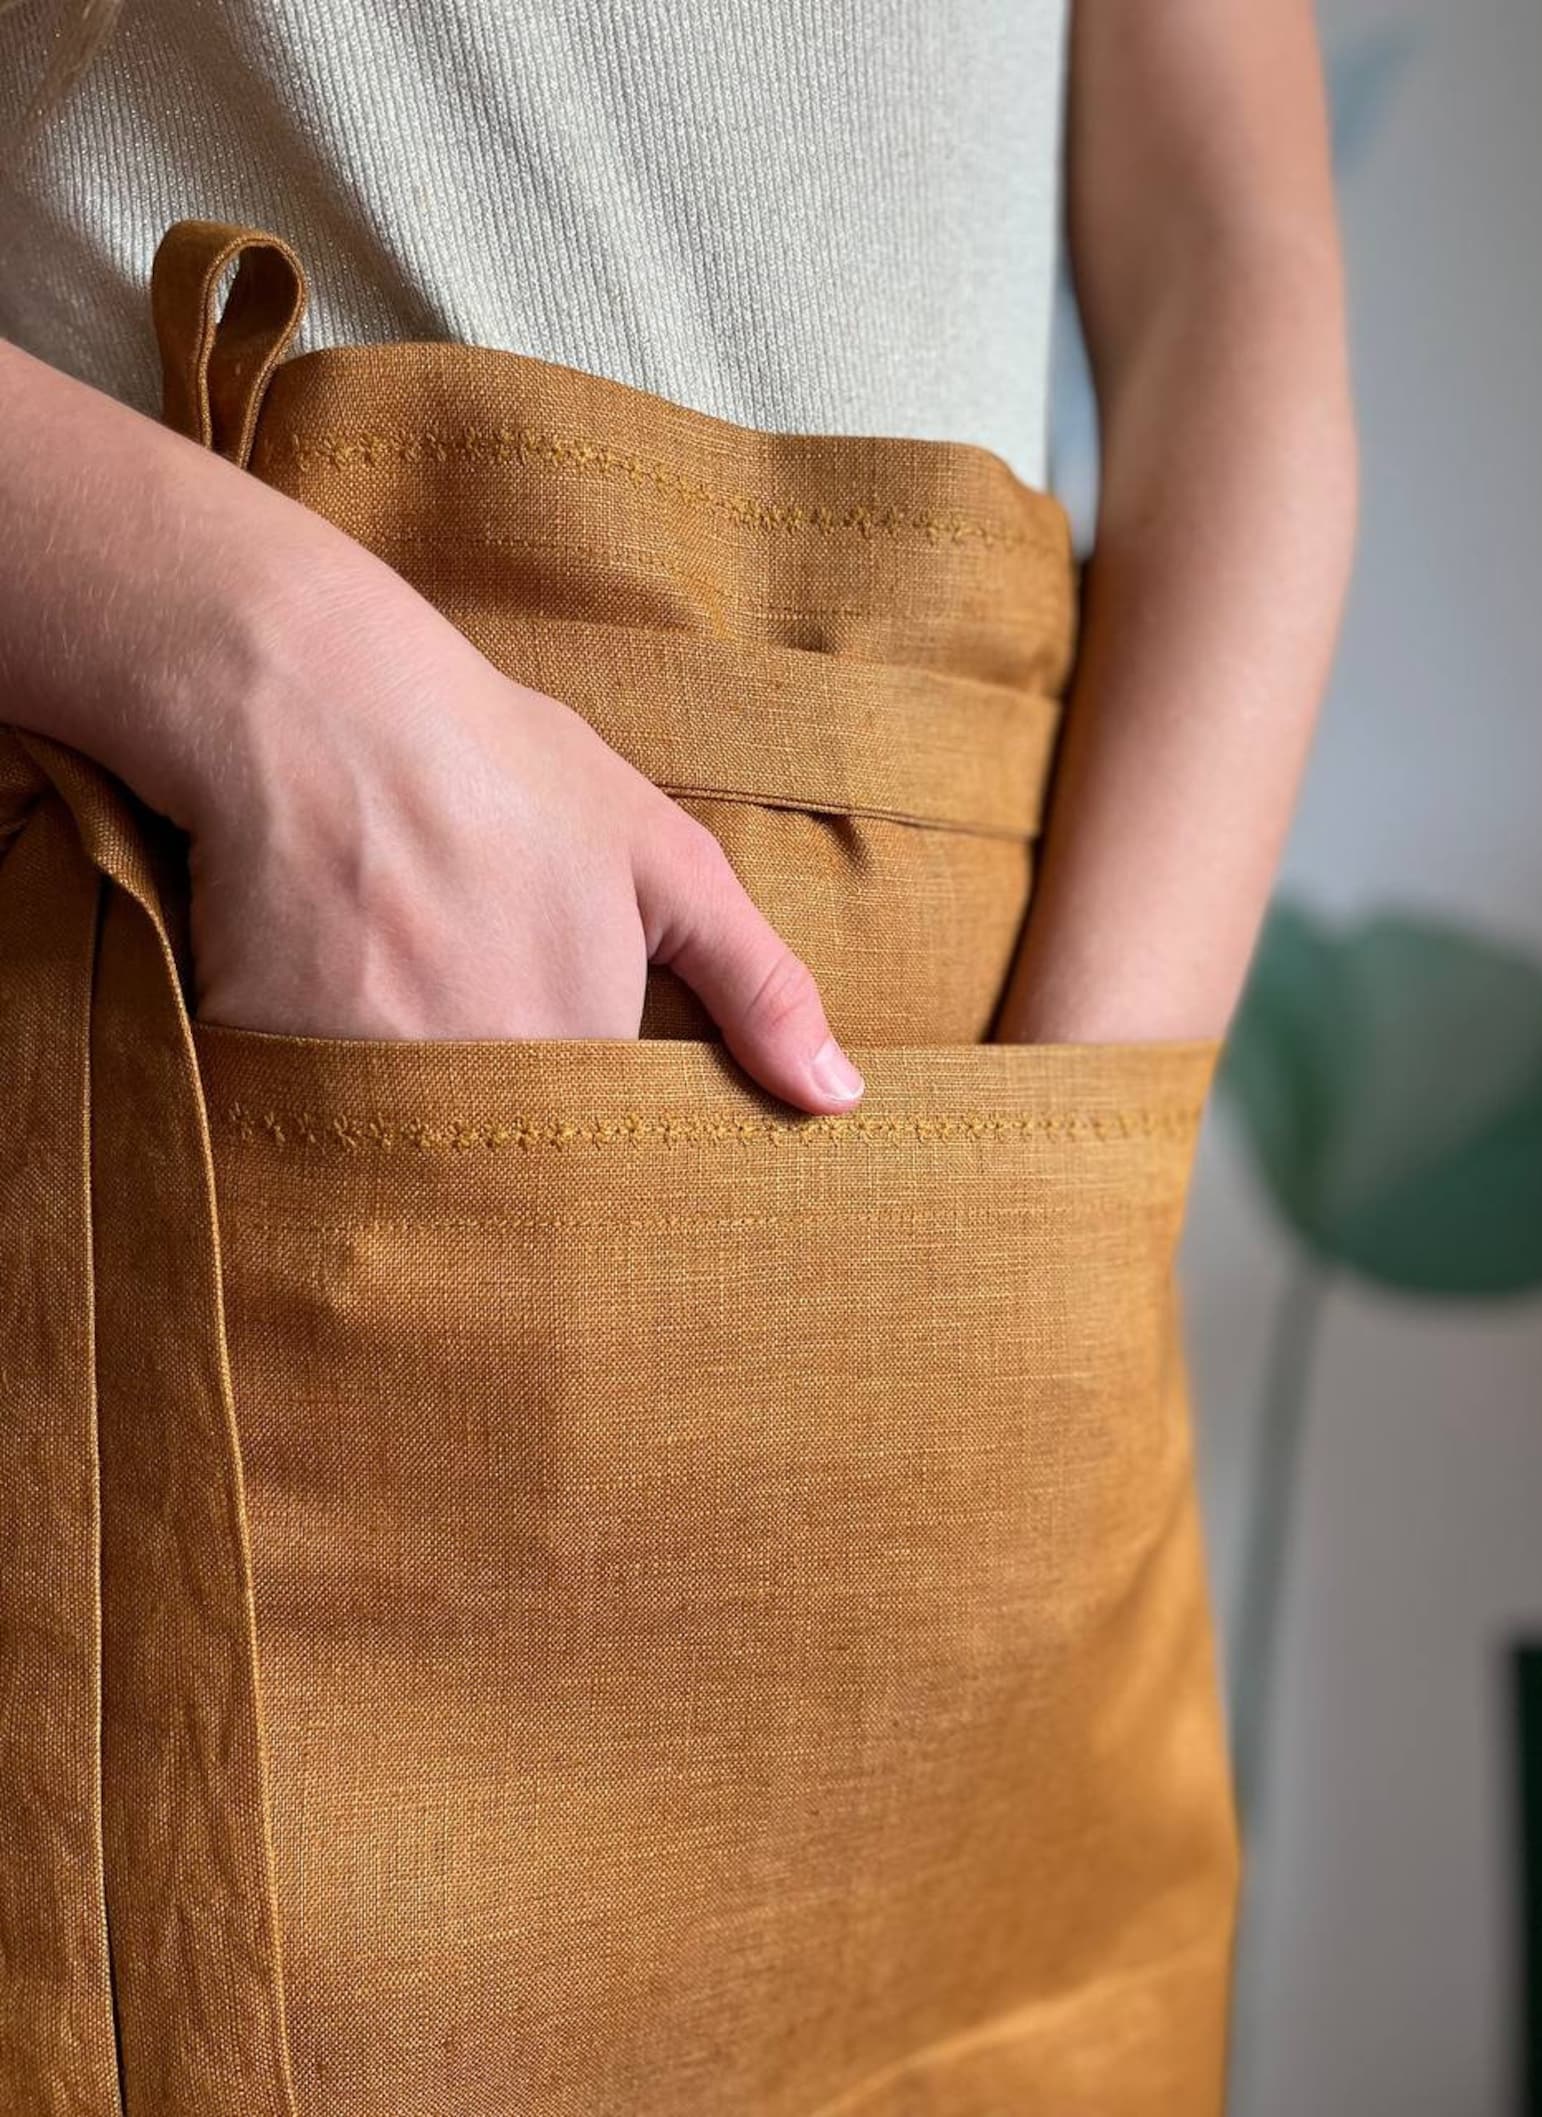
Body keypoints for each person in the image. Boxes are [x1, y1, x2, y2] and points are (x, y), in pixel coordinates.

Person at [0, 4, 1357, 2112]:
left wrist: (1084, 1155)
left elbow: (1232, 257)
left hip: (1010, 1256)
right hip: (233, 1036)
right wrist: (276, 675)